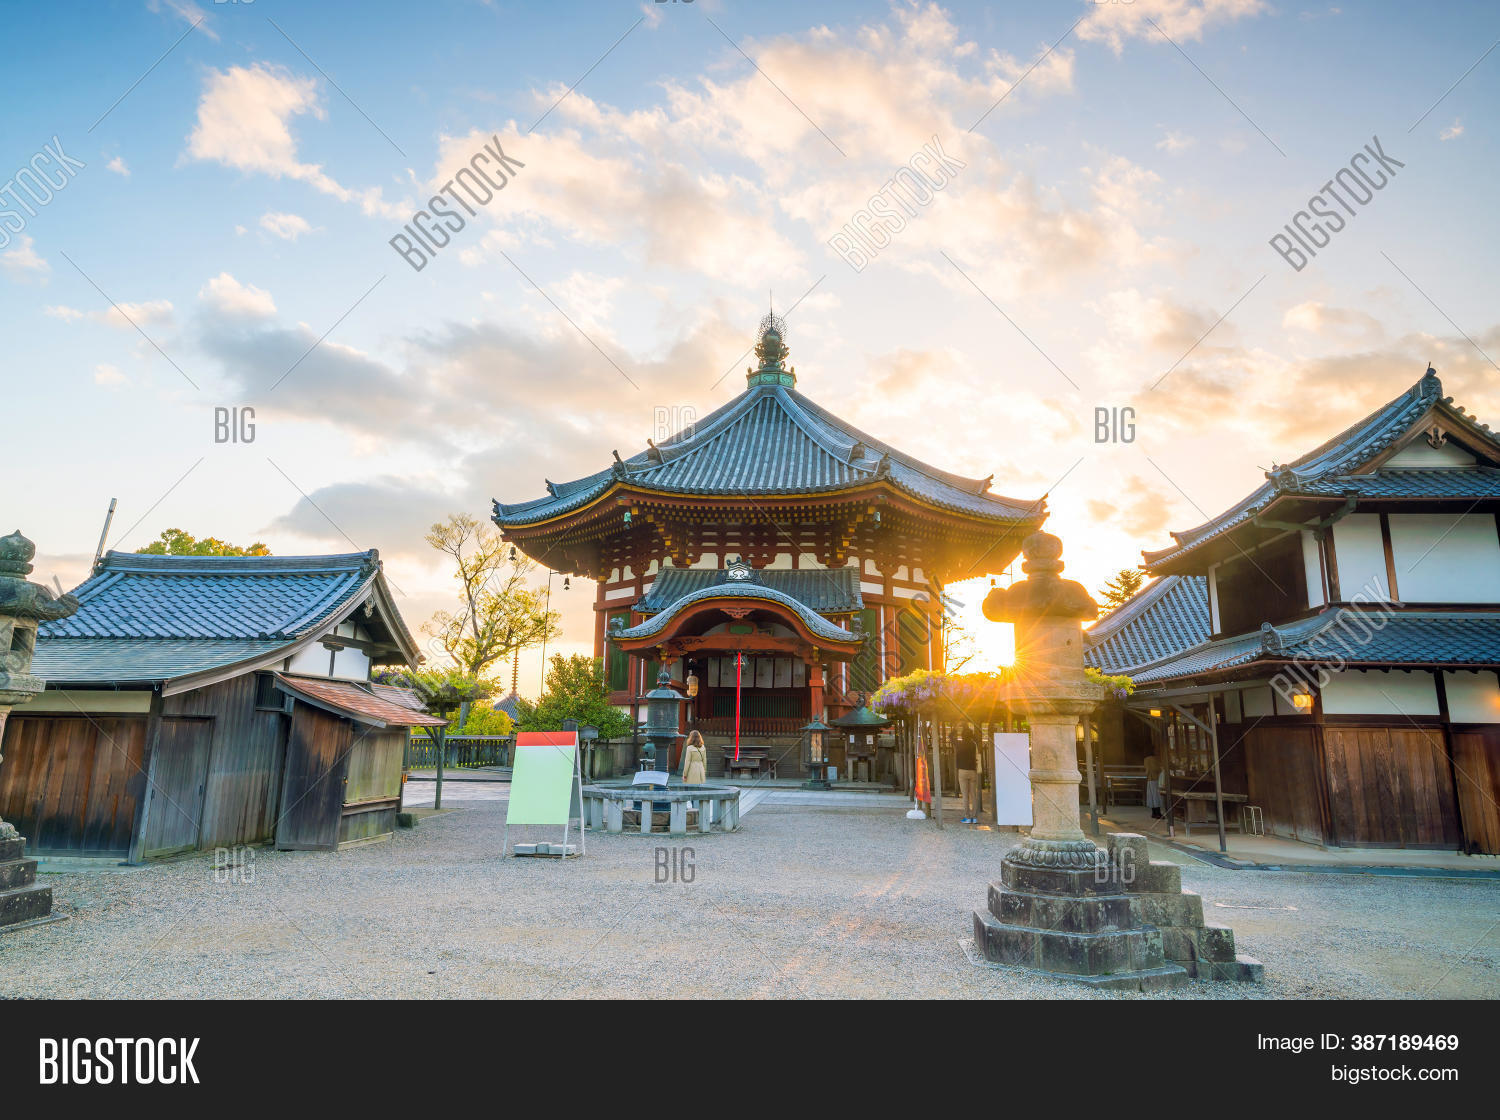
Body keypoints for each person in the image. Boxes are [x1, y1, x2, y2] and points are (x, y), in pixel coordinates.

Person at [955, 727, 979, 824]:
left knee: (965, 796)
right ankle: (974, 817)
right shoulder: (974, 744)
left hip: (962, 771)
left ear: (962, 735)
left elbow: (950, 736)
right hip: (972, 771)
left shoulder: (959, 744)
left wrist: (957, 726)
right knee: (973, 795)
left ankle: (967, 817)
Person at [1144, 753, 1164, 820]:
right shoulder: (1153, 759)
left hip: (1149, 779)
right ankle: (1158, 813)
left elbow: (1147, 770)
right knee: (1156, 796)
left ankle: (1153, 813)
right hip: (1155, 779)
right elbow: (1156, 769)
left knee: (1151, 796)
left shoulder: (1146, 759)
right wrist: (1161, 769)